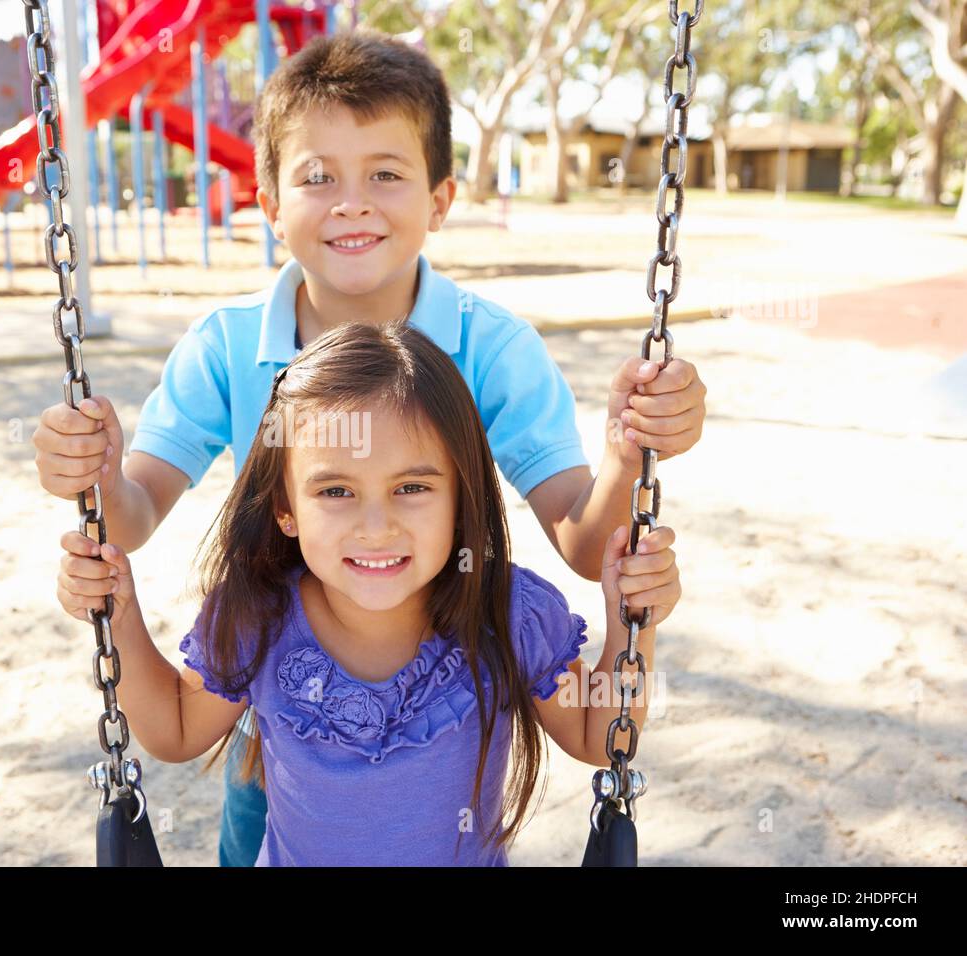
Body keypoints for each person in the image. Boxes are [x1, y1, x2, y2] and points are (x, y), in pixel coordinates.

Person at [37, 28, 706, 867]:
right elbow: (131, 516)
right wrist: (96, 477)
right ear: (269, 199)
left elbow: (580, 537)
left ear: (440, 198)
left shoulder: (489, 346)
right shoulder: (225, 344)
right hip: (278, 709)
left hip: (450, 675)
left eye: (385, 173)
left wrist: (627, 451)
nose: (352, 202)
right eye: (318, 177)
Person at [58, 321, 680, 865]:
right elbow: (173, 731)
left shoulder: (507, 614)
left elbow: (603, 738)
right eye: (335, 492)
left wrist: (634, 622)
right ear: (285, 508)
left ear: (462, 499)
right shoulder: (262, 616)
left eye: (412, 488)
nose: (376, 526)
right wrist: (120, 608)